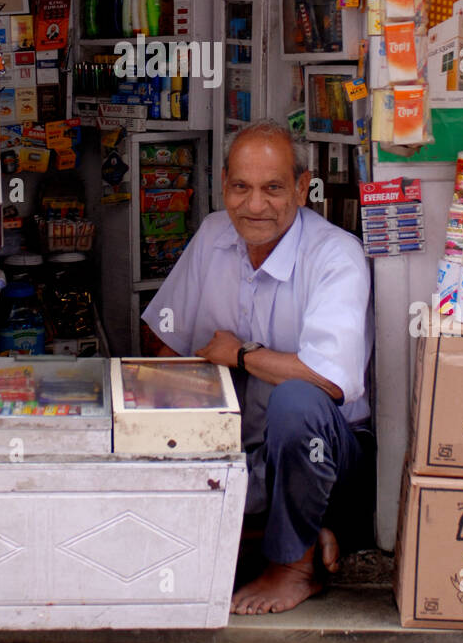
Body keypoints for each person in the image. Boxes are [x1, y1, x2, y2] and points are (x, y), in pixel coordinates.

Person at [141, 119, 373, 615]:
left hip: (330, 457)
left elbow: (330, 381)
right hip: (239, 451)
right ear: (223, 182)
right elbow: (162, 336)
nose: (254, 206)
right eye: (241, 187)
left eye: (272, 189)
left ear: (301, 186)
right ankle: (304, 535)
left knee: (297, 403)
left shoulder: (336, 256)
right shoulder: (213, 235)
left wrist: (241, 355)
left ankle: (293, 567)